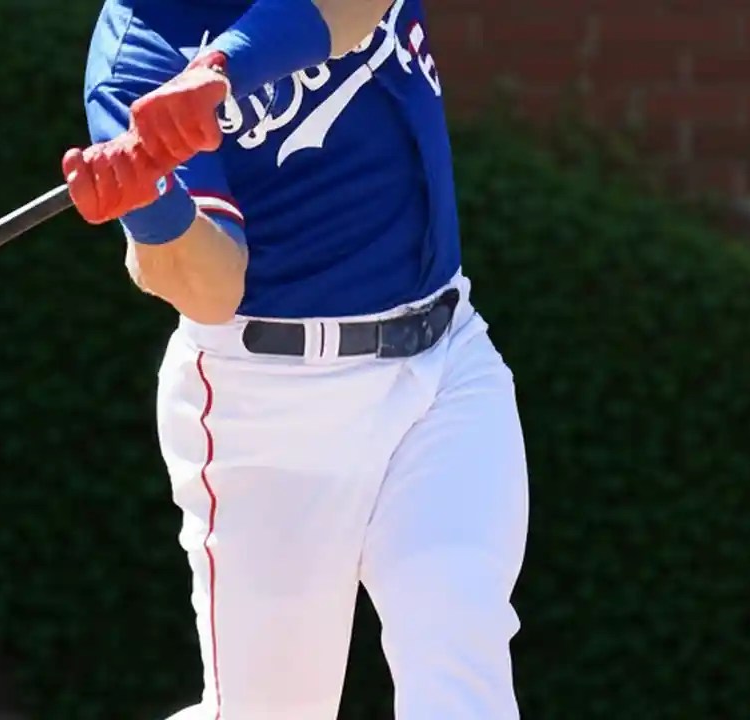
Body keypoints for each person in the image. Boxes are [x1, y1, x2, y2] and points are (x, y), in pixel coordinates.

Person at [60, 1, 530, 718]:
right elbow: (212, 287)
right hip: (268, 411)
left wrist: (223, 67)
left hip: (446, 364)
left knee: (460, 666)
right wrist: (153, 207)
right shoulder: (138, 58)